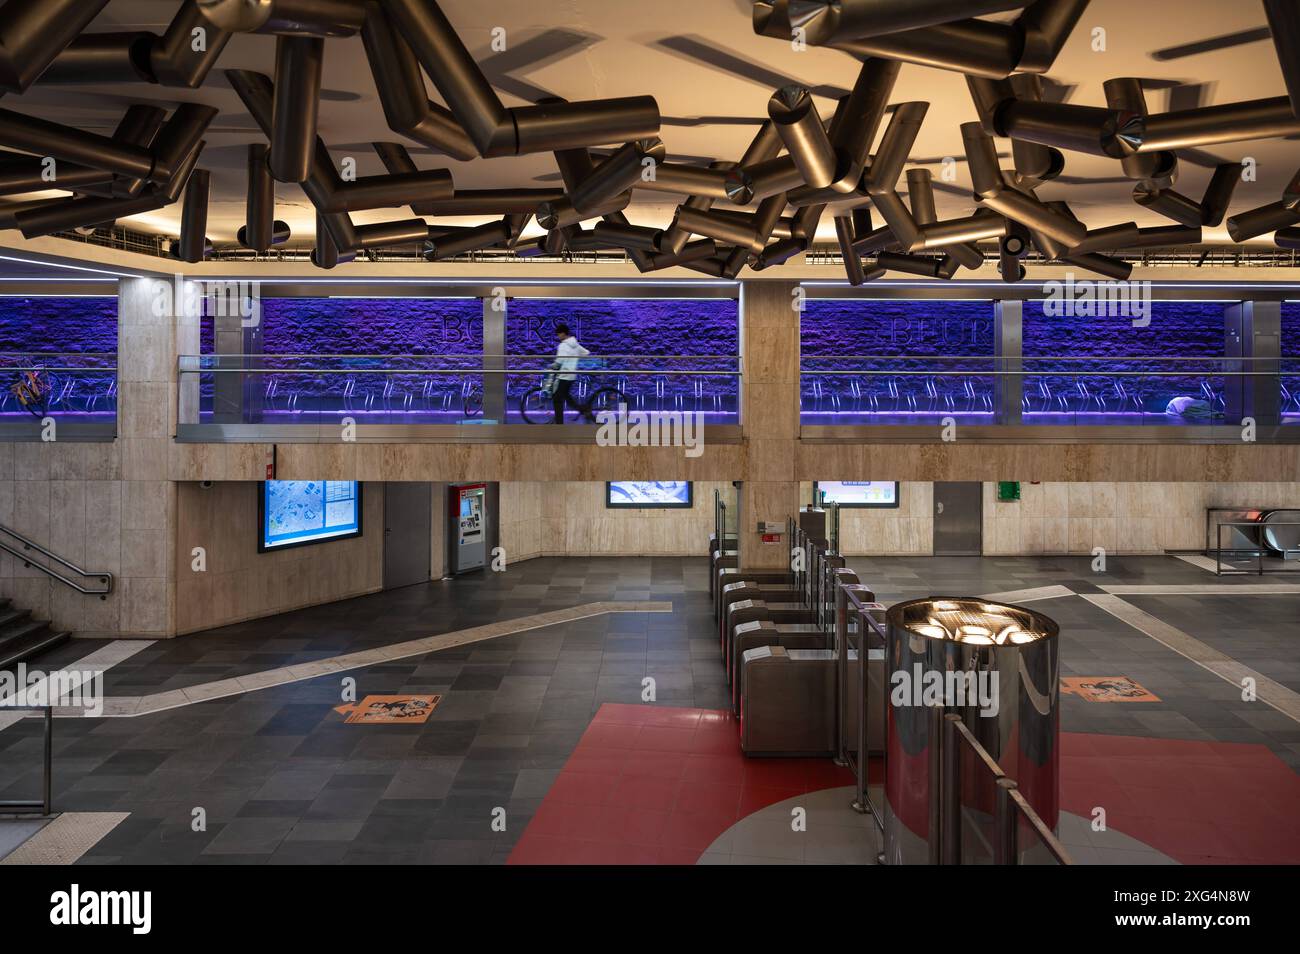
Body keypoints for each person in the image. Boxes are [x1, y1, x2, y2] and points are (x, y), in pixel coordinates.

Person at [551, 323, 592, 423]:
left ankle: (559, 423)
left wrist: (552, 367)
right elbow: (586, 353)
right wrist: (575, 361)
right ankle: (584, 409)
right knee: (567, 397)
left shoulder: (563, 345)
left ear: (563, 333)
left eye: (558, 334)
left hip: (564, 375)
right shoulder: (575, 344)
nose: (558, 336)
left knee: (557, 398)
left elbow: (559, 361)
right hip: (572, 375)